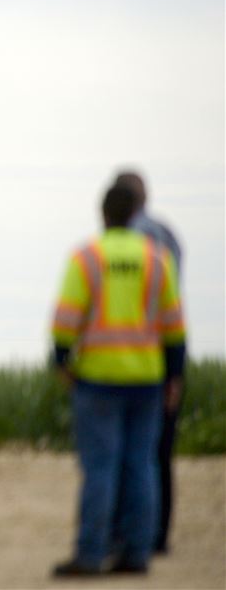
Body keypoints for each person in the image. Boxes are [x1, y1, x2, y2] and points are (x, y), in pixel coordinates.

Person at [50, 184, 186, 578]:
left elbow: (65, 320)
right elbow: (174, 326)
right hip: (147, 377)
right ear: (135, 213)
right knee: (141, 465)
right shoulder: (158, 259)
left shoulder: (87, 257)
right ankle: (137, 553)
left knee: (100, 468)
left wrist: (61, 360)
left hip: (98, 378)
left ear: (103, 213)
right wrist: (174, 374)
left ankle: (91, 553)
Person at [113, 170, 184, 554]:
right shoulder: (168, 235)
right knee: (160, 454)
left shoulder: (128, 242)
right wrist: (176, 368)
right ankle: (158, 536)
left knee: (129, 456)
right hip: (162, 354)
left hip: (126, 360)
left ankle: (129, 534)